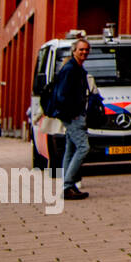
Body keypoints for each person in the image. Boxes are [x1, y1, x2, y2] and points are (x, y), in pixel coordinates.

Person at [51, 38, 92, 200]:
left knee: (71, 149)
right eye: (81, 50)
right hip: (73, 116)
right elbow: (62, 95)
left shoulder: (77, 68)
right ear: (74, 50)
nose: (84, 52)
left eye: (86, 50)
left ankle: (69, 185)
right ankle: (68, 184)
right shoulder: (70, 69)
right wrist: (72, 113)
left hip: (75, 115)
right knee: (83, 147)